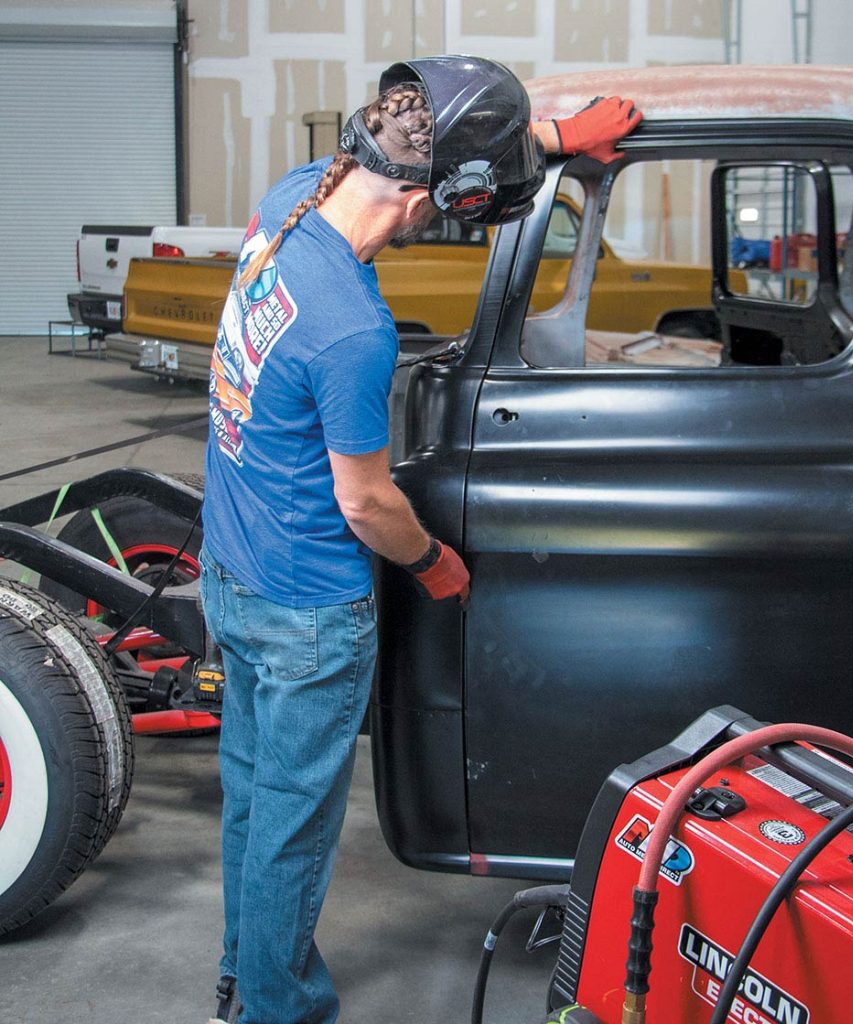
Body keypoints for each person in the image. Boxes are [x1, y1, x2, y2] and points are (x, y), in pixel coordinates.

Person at [199, 54, 641, 1024]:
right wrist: (437, 562)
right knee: (294, 828)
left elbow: (445, 152)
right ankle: (276, 1008)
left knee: (253, 797)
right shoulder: (355, 328)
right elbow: (366, 505)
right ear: (426, 205)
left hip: (229, 567)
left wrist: (562, 139)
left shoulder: (290, 200)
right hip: (307, 610)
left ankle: (239, 973)